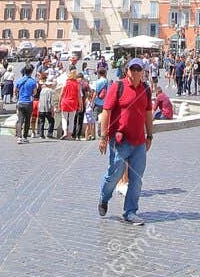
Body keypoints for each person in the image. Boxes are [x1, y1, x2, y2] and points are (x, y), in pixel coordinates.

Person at [97, 59, 155, 226]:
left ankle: (130, 212)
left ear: (143, 72)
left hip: (139, 142)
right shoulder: (118, 86)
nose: (135, 72)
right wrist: (103, 136)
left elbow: (148, 113)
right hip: (120, 140)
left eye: (138, 69)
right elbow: (106, 111)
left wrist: (150, 135)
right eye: (132, 69)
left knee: (136, 179)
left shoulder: (145, 89)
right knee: (115, 173)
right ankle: (104, 196)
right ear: (127, 70)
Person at [14, 66, 38, 145]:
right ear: (31, 72)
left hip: (21, 102)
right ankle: (24, 137)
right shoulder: (33, 81)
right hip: (28, 102)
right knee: (27, 120)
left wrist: (18, 96)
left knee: (20, 120)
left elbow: (15, 90)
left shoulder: (19, 80)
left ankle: (19, 137)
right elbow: (34, 93)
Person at [60, 69, 84, 139]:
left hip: (65, 102)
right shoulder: (77, 84)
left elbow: (61, 94)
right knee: (71, 119)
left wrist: (59, 103)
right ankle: (70, 135)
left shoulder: (65, 83)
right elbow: (79, 96)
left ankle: (65, 132)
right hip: (73, 103)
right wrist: (81, 105)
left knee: (64, 118)